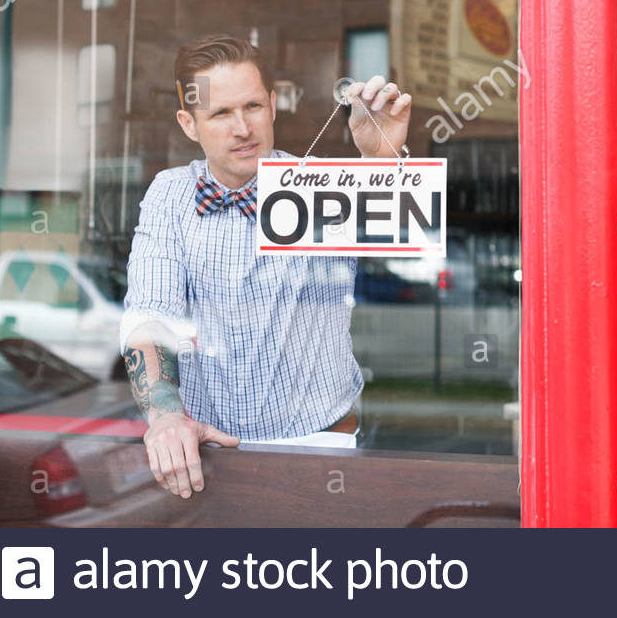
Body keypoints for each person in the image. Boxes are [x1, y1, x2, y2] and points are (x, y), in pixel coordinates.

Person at [120, 33, 411, 499]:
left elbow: (398, 228)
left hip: (323, 440)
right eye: (220, 113)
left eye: (252, 106)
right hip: (207, 447)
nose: (242, 128)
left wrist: (378, 159)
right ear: (189, 124)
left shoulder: (318, 189)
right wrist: (165, 415)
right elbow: (151, 315)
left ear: (273, 106)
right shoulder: (168, 195)